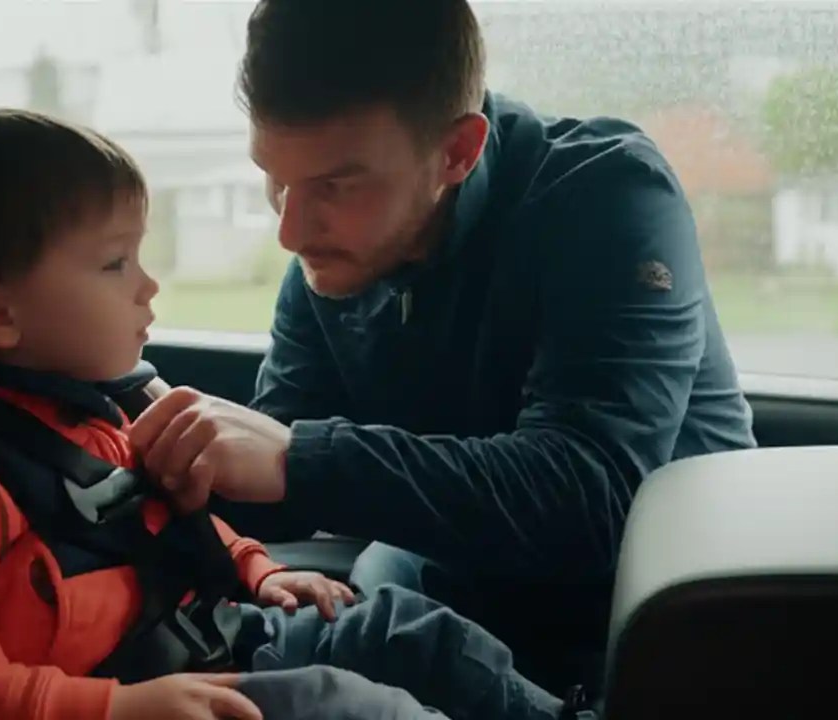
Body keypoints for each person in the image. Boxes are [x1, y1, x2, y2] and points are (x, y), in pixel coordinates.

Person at [0, 108, 575, 720]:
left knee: (407, 628)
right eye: (114, 265)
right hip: (128, 690)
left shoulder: (78, 408)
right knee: (351, 708)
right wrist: (116, 709)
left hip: (210, 637)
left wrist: (259, 570)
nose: (148, 287)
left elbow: (162, 525)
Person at [130, 0, 757, 690]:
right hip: (458, 593)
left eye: (335, 185)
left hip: (661, 616)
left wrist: (299, 458)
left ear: (457, 151)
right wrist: (132, 456)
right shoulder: (333, 253)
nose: (290, 228)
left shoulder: (608, 193)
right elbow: (275, 478)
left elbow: (594, 495)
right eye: (274, 177)